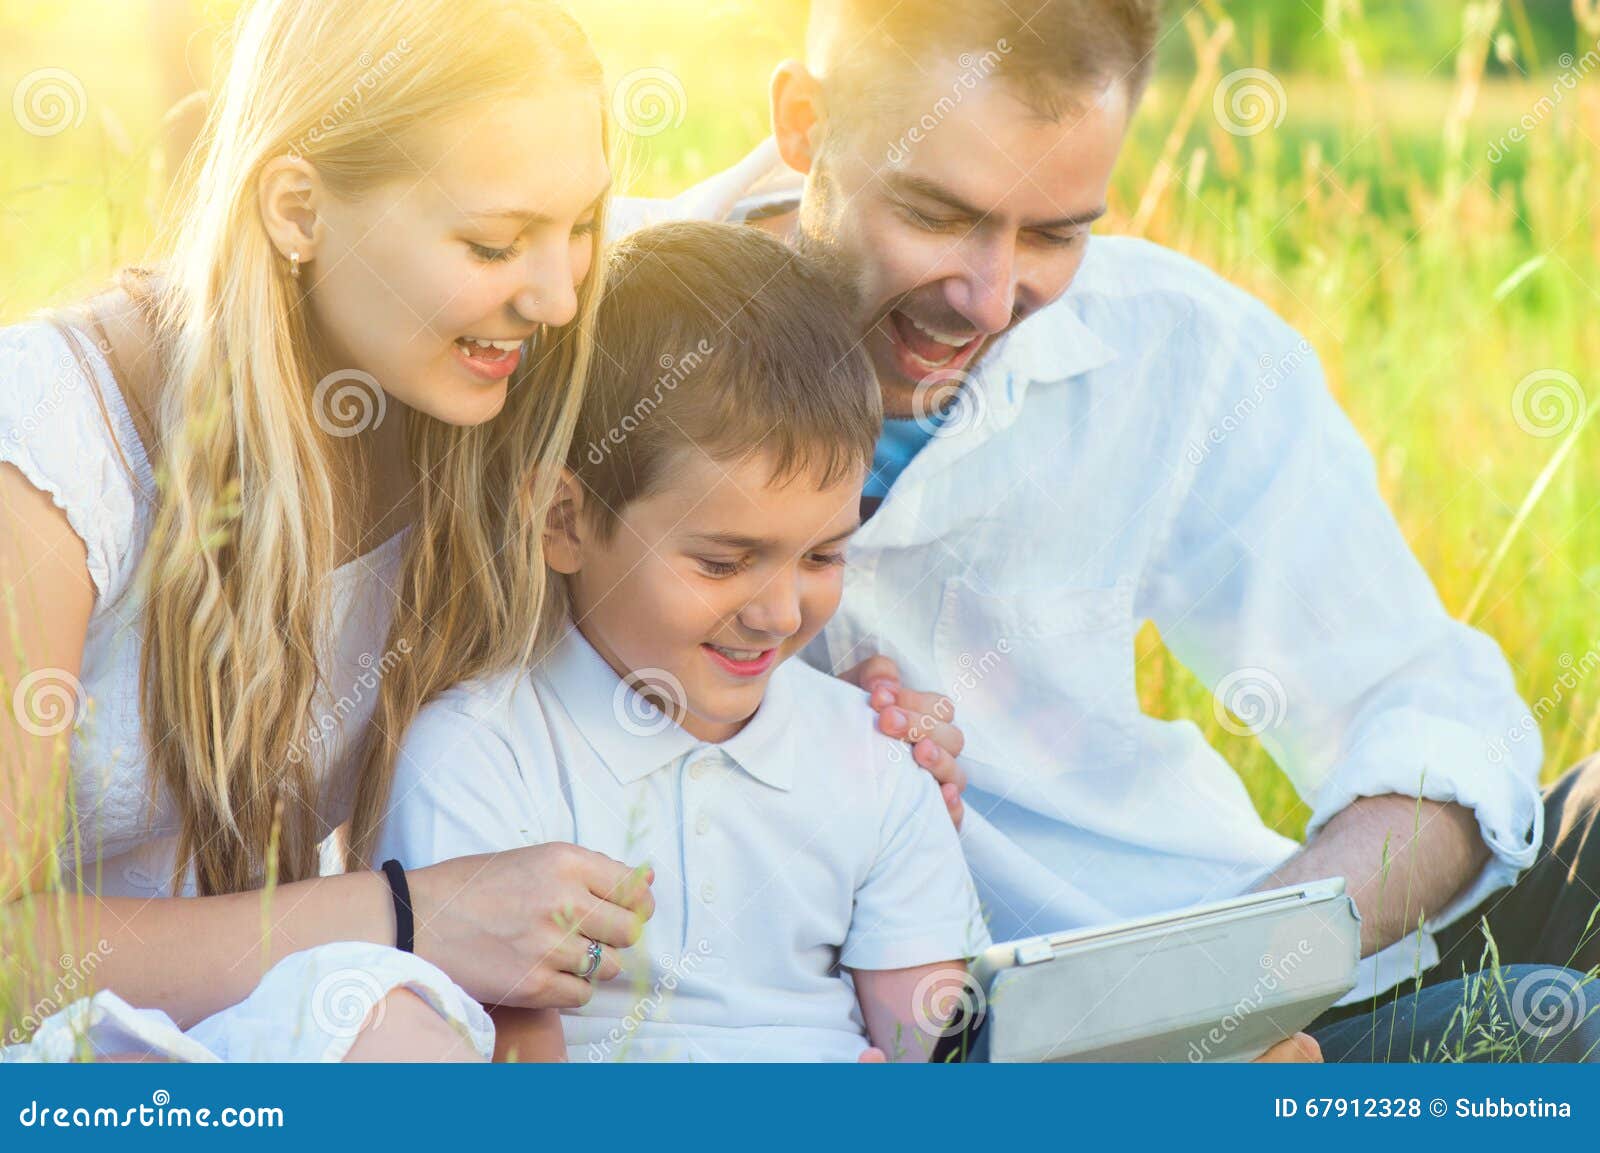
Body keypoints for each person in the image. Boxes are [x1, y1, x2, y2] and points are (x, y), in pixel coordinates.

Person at [612, 0, 1600, 1060]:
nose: (989, 300)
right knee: (1560, 1030)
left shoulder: (1179, 349)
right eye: (938, 216)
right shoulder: (600, 333)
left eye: (1053, 232)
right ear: (804, 123)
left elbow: (1424, 709)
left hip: (1223, 973)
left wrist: (1228, 982)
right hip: (960, 1043)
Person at [1, 0, 649, 1062]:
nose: (557, 295)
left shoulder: (461, 403)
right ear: (298, 211)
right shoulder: (51, 444)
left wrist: (877, 726)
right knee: (391, 1030)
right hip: (60, 1064)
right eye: (494, 242)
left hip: (288, 1030)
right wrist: (404, 918)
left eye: (578, 227)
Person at [377, 222, 990, 1062]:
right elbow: (511, 1063)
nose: (778, 612)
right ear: (565, 521)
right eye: (723, 561)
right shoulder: (483, 754)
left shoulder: (878, 759)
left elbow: (935, 1043)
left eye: (822, 555)